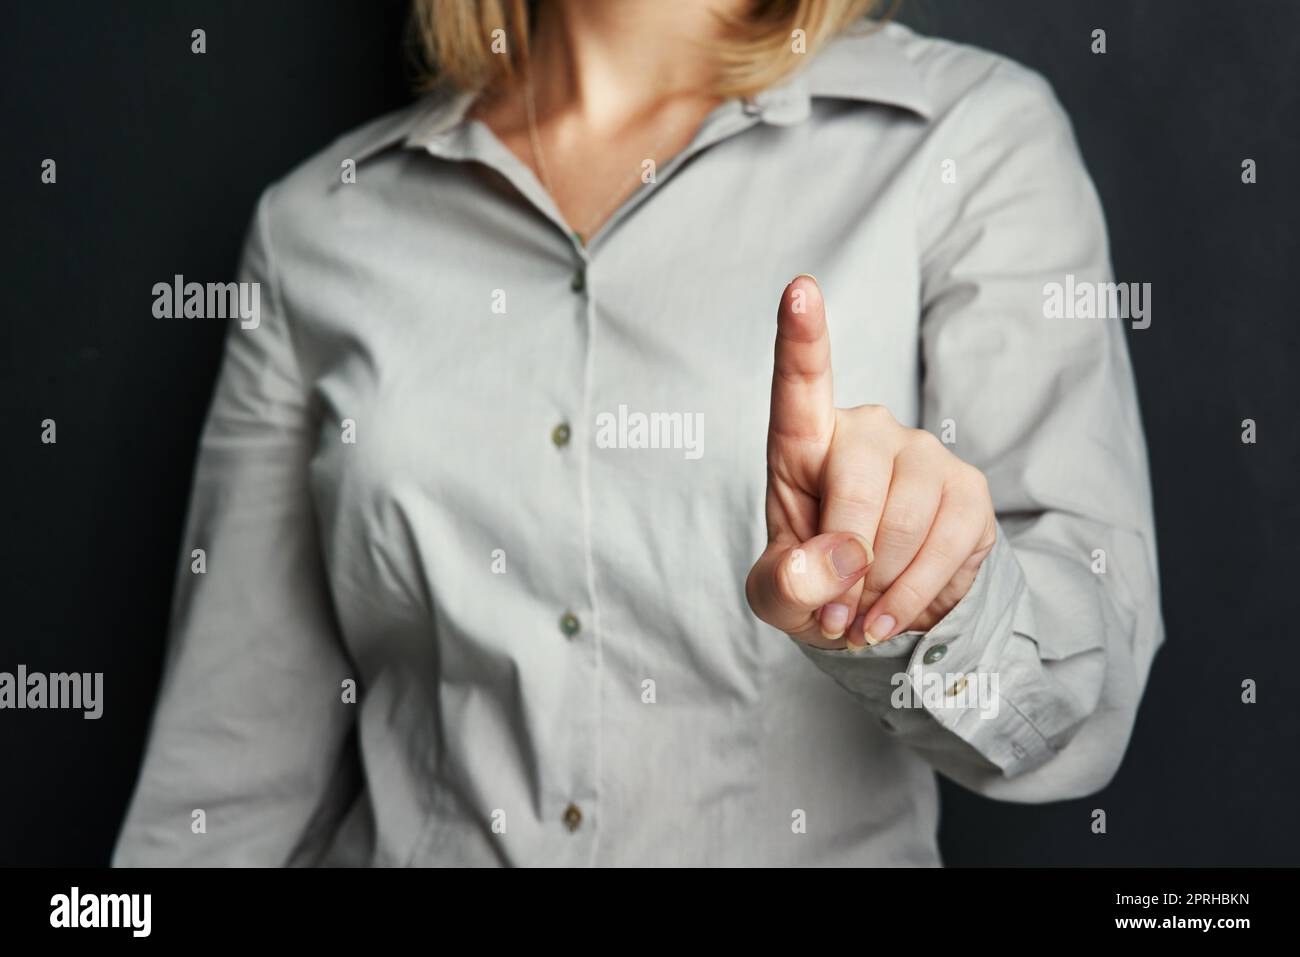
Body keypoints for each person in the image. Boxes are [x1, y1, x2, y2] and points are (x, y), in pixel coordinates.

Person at [114, 0, 1162, 866]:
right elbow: (225, 776)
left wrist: (937, 603)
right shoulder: (316, 226)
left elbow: (1080, 712)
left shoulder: (967, 137)